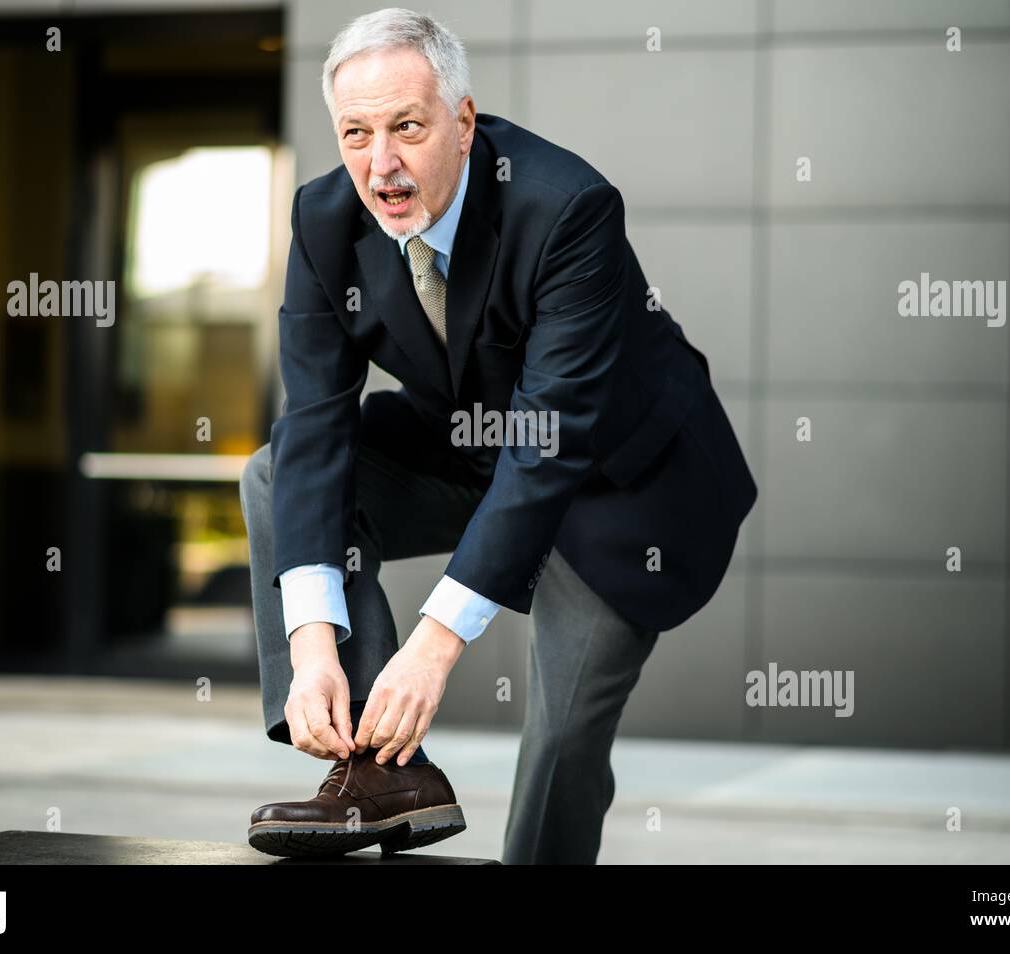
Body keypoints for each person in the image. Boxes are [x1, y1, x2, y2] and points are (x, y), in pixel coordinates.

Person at [239, 7, 756, 865]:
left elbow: (550, 440)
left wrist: (432, 649)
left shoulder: (566, 206)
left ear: (464, 121)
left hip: (621, 480)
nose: (381, 164)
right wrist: (311, 645)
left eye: (407, 127)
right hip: (473, 449)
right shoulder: (322, 220)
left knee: (560, 739)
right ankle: (384, 779)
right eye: (355, 133)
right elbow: (316, 426)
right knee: (272, 471)